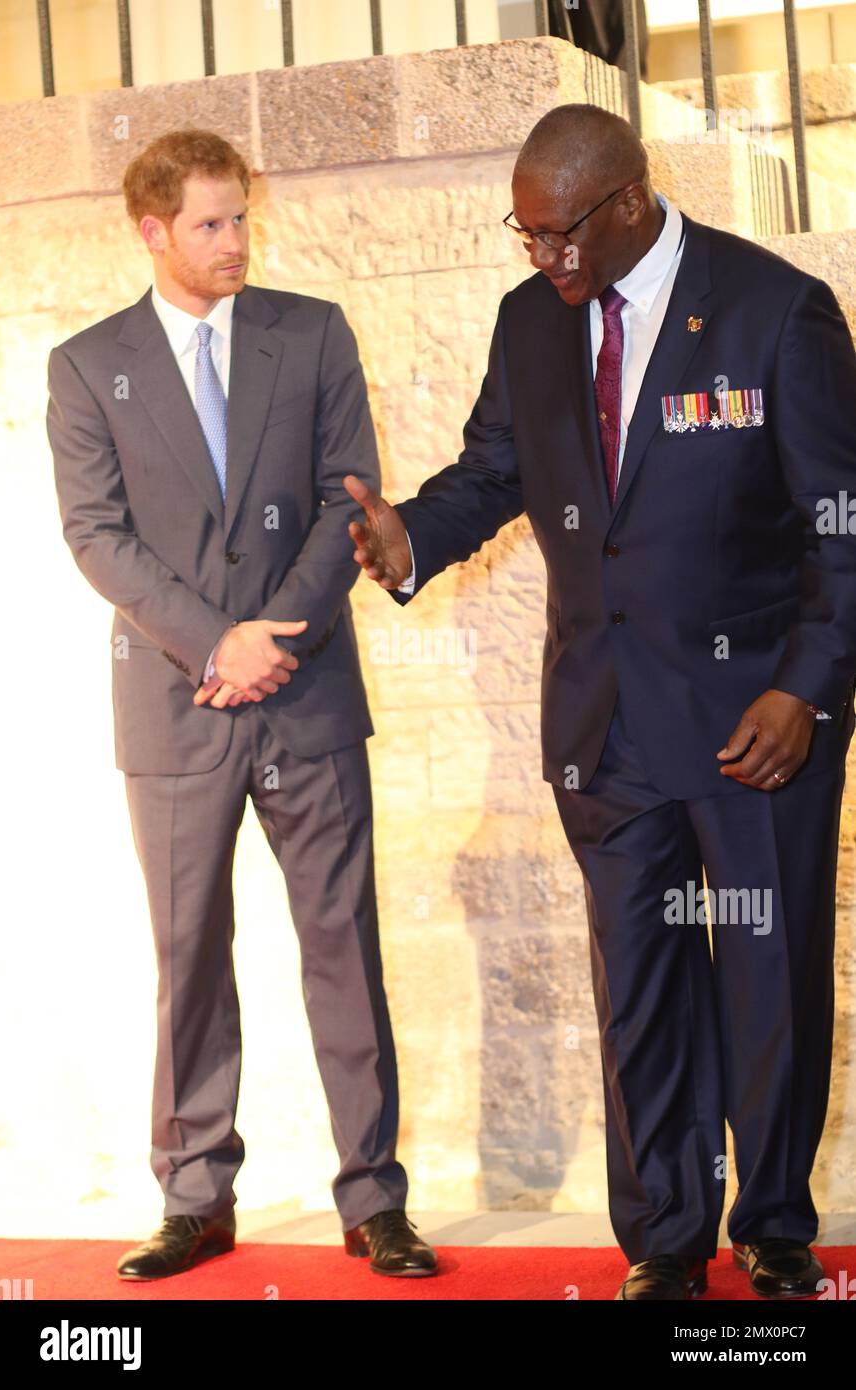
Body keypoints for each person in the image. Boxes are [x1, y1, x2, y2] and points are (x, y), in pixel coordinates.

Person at [343, 103, 856, 1300]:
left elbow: (842, 529)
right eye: (523, 237)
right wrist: (409, 536)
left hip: (752, 730)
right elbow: (494, 469)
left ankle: (772, 1222)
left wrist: (804, 689)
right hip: (605, 725)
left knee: (767, 976)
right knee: (637, 984)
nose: (542, 261)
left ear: (629, 199)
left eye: (559, 235)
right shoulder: (531, 320)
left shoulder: (774, 310)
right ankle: (664, 1240)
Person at [46, 128, 436, 1281]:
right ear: (154, 231)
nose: (234, 243)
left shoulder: (310, 334)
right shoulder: (85, 366)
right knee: (189, 953)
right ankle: (194, 1193)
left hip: (305, 692)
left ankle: (374, 1200)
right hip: (173, 708)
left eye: (241, 218)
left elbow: (348, 499)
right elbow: (95, 535)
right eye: (209, 224)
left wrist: (275, 636)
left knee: (343, 947)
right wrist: (212, 640)